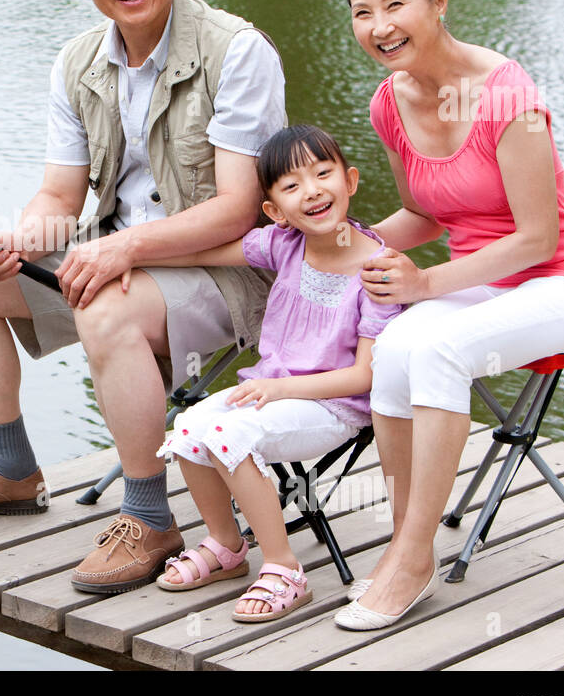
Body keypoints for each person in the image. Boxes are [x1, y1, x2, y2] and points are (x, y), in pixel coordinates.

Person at [0, 0, 287, 594]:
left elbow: (239, 210)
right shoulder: (76, 63)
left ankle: (148, 515)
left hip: (229, 271)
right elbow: (60, 196)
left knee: (106, 304)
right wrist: (15, 238)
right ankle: (9, 468)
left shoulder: (238, 52)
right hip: (112, 254)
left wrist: (125, 248)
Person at [335, 0, 564, 630]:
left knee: (433, 345)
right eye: (362, 12)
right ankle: (407, 543)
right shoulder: (387, 103)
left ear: (439, 1)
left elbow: (537, 236)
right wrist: (338, 247)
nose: (379, 27)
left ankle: (412, 556)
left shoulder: (505, 94)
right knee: (395, 348)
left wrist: (426, 286)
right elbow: (425, 214)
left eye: (395, 5)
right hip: (482, 283)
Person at [142, 126, 401, 620]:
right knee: (189, 424)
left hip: (334, 408)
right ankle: (226, 546)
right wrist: (132, 255)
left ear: (350, 180)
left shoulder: (378, 271)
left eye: (323, 173)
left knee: (226, 431)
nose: (312, 190)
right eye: (291, 185)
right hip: (272, 395)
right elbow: (203, 252)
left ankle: (284, 568)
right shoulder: (284, 245)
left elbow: (363, 377)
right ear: (276, 211)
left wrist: (279, 388)